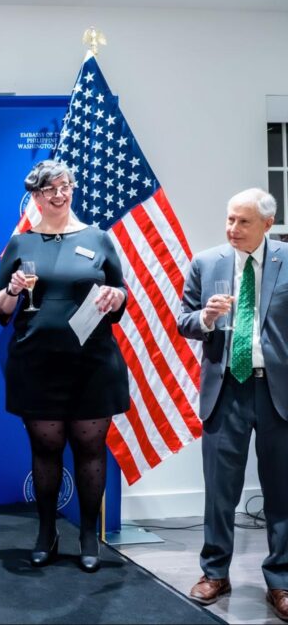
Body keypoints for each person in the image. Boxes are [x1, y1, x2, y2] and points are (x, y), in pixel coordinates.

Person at [0, 159, 128, 574]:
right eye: (48, 189)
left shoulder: (99, 238)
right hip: (37, 365)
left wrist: (116, 297)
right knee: (45, 451)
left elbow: (120, 293)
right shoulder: (21, 244)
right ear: (34, 196)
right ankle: (46, 532)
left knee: (90, 451)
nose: (58, 194)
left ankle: (89, 535)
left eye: (64, 185)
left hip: (92, 364)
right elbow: (1, 310)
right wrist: (13, 291)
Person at [177, 188, 288, 620]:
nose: (233, 229)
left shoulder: (284, 259)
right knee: (220, 491)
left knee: (281, 491)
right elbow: (183, 318)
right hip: (226, 390)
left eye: (243, 222)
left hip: (277, 390)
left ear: (267, 223)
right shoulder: (208, 262)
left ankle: (280, 581)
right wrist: (205, 318)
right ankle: (215, 572)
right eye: (229, 220)